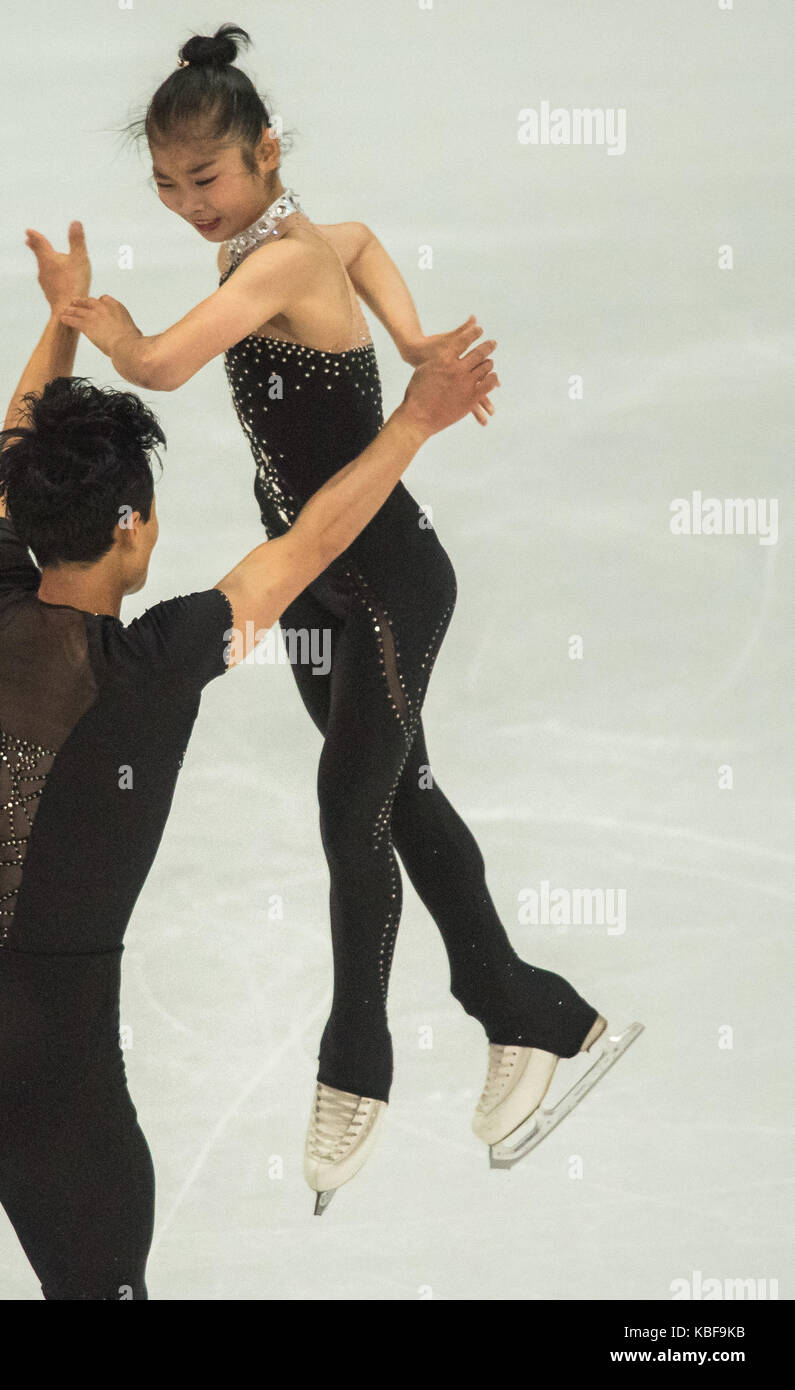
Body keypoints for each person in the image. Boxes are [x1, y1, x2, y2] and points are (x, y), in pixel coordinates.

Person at [0, 216, 496, 1299]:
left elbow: (11, 448)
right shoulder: (156, 662)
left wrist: (61, 321)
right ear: (136, 530)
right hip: (51, 1059)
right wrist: (412, 422)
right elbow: (307, 543)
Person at [60, 23, 628, 1211]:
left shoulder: (273, 263)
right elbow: (360, 240)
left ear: (265, 154)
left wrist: (94, 321)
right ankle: (532, 1011)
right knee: (398, 795)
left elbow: (160, 369)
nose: (186, 206)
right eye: (165, 187)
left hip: (384, 581)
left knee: (351, 806)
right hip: (324, 581)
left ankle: (355, 1064)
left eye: (204, 180)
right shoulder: (289, 236)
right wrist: (413, 336)